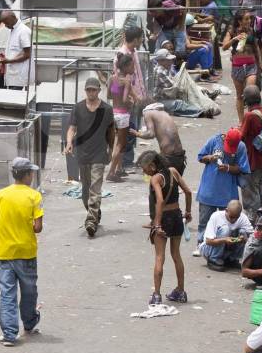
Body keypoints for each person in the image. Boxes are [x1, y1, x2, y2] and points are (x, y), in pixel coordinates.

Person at [0, 157, 44, 347]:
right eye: (31, 173)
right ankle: (29, 323)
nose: (32, 176)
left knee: (7, 294)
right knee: (29, 292)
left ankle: (9, 334)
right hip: (26, 252)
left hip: (5, 253)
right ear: (27, 175)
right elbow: (38, 228)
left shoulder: (1, 195)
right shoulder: (34, 196)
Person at [139, 151, 194, 305]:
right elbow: (188, 192)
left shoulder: (156, 179)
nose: (144, 172)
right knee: (176, 254)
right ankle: (180, 291)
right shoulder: (173, 171)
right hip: (177, 216)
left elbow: (160, 200)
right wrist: (188, 212)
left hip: (163, 218)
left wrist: (157, 224)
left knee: (159, 257)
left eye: (144, 169)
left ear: (152, 166)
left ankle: (156, 295)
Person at [64, 76, 114, 237]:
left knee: (95, 188)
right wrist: (69, 143)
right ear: (85, 91)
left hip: (99, 154)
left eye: (94, 90)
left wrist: (111, 149)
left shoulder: (106, 109)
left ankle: (91, 221)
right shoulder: (78, 108)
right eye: (89, 90)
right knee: (86, 191)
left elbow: (111, 131)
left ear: (99, 90)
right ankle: (94, 212)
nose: (91, 92)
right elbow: (72, 128)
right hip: (82, 154)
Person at [194, 128, 251, 254]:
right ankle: (201, 244)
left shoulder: (241, 147)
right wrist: (210, 158)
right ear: (225, 138)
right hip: (209, 189)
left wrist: (228, 168)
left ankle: (224, 250)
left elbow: (243, 169)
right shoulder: (214, 141)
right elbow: (200, 157)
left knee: (228, 223)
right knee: (204, 221)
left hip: (227, 192)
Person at [223, 9, 262, 113]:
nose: (249, 21)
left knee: (250, 93)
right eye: (246, 19)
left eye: (250, 19)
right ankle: (241, 120)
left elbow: (256, 48)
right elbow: (224, 47)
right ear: (240, 21)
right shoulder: (232, 31)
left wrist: (260, 64)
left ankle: (250, 117)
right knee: (239, 96)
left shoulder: (251, 31)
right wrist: (235, 39)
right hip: (237, 66)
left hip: (251, 66)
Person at [240, 86, 262, 220]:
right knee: (261, 188)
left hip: (250, 159)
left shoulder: (249, 115)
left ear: (246, 100)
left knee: (251, 191)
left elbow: (241, 136)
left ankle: (254, 220)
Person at [135, 105, 188, 181]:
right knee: (173, 184)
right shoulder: (164, 113)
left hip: (169, 157)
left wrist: (137, 134)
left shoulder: (147, 113)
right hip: (180, 157)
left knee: (161, 183)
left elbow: (150, 134)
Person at [107, 54, 139, 182]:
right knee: (120, 145)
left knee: (117, 143)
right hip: (123, 115)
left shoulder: (112, 79)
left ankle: (118, 169)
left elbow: (109, 95)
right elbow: (125, 100)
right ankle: (111, 172)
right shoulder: (126, 81)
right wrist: (132, 102)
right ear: (125, 67)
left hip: (113, 113)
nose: (133, 68)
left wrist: (119, 98)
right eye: (132, 66)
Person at [200, 200, 254, 270]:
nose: (233, 220)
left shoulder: (243, 218)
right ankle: (214, 259)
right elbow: (208, 241)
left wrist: (245, 239)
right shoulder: (216, 216)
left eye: (236, 218)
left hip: (226, 249)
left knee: (243, 232)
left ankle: (232, 259)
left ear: (240, 214)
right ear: (226, 210)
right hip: (208, 249)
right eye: (231, 217)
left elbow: (252, 236)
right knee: (225, 229)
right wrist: (224, 240)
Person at [0, 10, 33, 90]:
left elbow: (27, 54)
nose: (6, 26)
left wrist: (8, 61)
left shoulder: (23, 31)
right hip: (12, 75)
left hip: (20, 75)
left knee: (16, 96)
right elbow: (15, 51)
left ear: (13, 18)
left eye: (7, 23)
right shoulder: (13, 30)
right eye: (4, 24)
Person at [241, 213, 262, 284]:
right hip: (261, 275)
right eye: (259, 228)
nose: (261, 232)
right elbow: (244, 272)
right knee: (259, 249)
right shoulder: (253, 243)